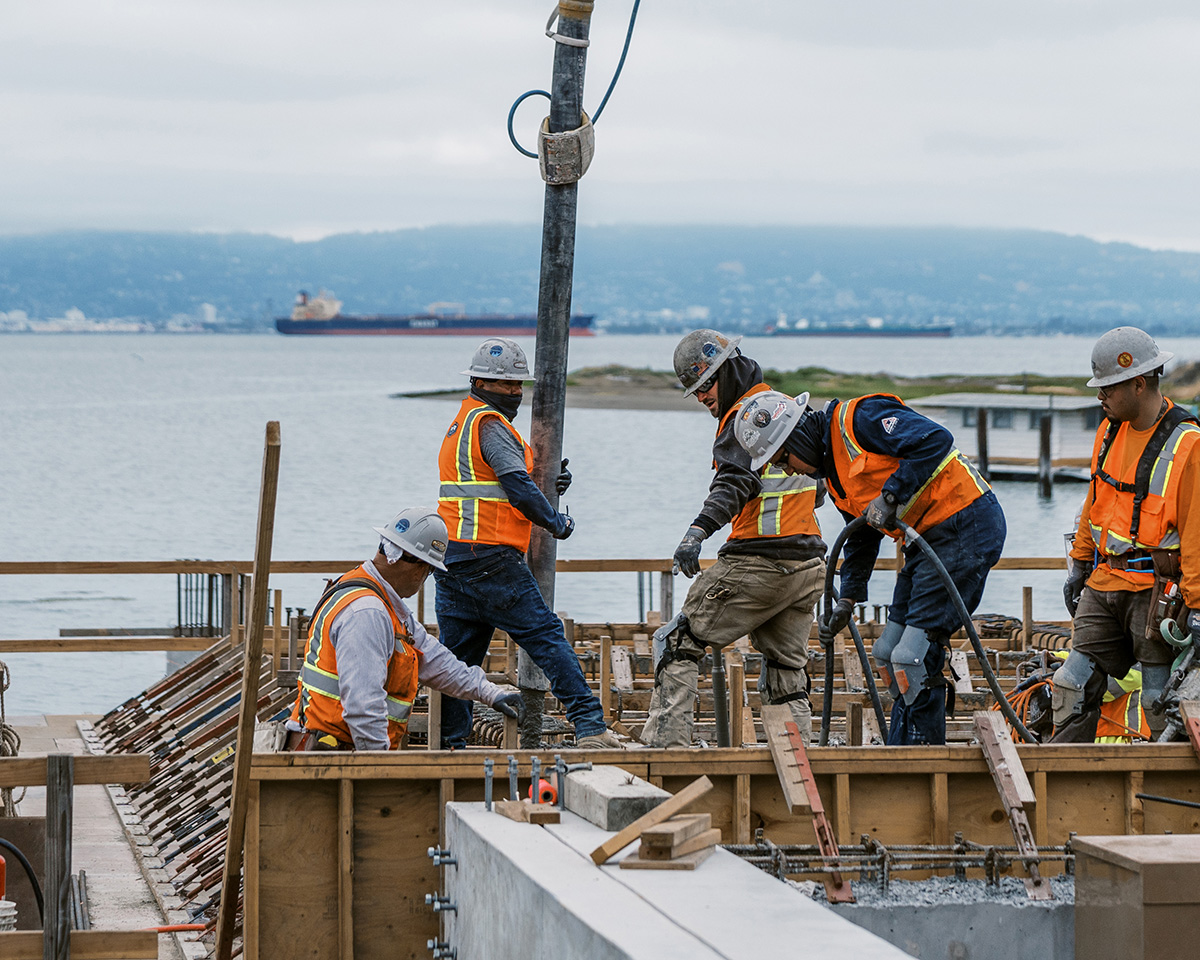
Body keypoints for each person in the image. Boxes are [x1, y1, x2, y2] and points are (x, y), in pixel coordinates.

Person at [733, 387, 1006, 745]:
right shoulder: (833, 475)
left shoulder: (859, 420)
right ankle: (902, 748)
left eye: (784, 459)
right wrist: (847, 601)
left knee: (912, 657)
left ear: (797, 435)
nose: (788, 469)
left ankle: (922, 760)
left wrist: (891, 495)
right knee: (886, 654)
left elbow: (934, 439)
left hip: (965, 523)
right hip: (926, 541)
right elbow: (862, 535)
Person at [641, 330, 827, 747]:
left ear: (728, 370)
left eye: (706, 384)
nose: (703, 396)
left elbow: (733, 481)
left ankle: (664, 750)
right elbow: (820, 485)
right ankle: (799, 756)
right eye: (695, 389)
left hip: (759, 562)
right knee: (785, 668)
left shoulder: (744, 417)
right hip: (809, 566)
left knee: (677, 641)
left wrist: (697, 532)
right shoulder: (786, 408)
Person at [435, 337, 621, 750]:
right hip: (491, 558)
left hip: (453, 560)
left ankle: (451, 746)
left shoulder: (463, 424)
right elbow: (516, 487)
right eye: (508, 385)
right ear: (481, 382)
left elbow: (498, 484)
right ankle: (590, 725)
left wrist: (549, 482)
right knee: (545, 635)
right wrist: (556, 522)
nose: (516, 393)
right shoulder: (490, 425)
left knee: (456, 663)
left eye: (520, 385)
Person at [1052, 326, 1200, 742]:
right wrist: (1080, 564)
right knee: (1070, 685)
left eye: (1108, 388)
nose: (1100, 397)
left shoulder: (1188, 444)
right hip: (1103, 583)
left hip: (1156, 594)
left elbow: (1197, 535)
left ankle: (1159, 789)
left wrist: (1198, 606)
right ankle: (1065, 777)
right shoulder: (1109, 430)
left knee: (1156, 696)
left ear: (1139, 384)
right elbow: (1094, 503)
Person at [285, 506, 526, 751]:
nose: (425, 579)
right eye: (430, 570)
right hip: (333, 758)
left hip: (337, 751)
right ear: (418, 565)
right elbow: (363, 708)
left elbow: (437, 660)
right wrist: (382, 769)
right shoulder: (368, 612)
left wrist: (491, 694)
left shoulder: (381, 601)